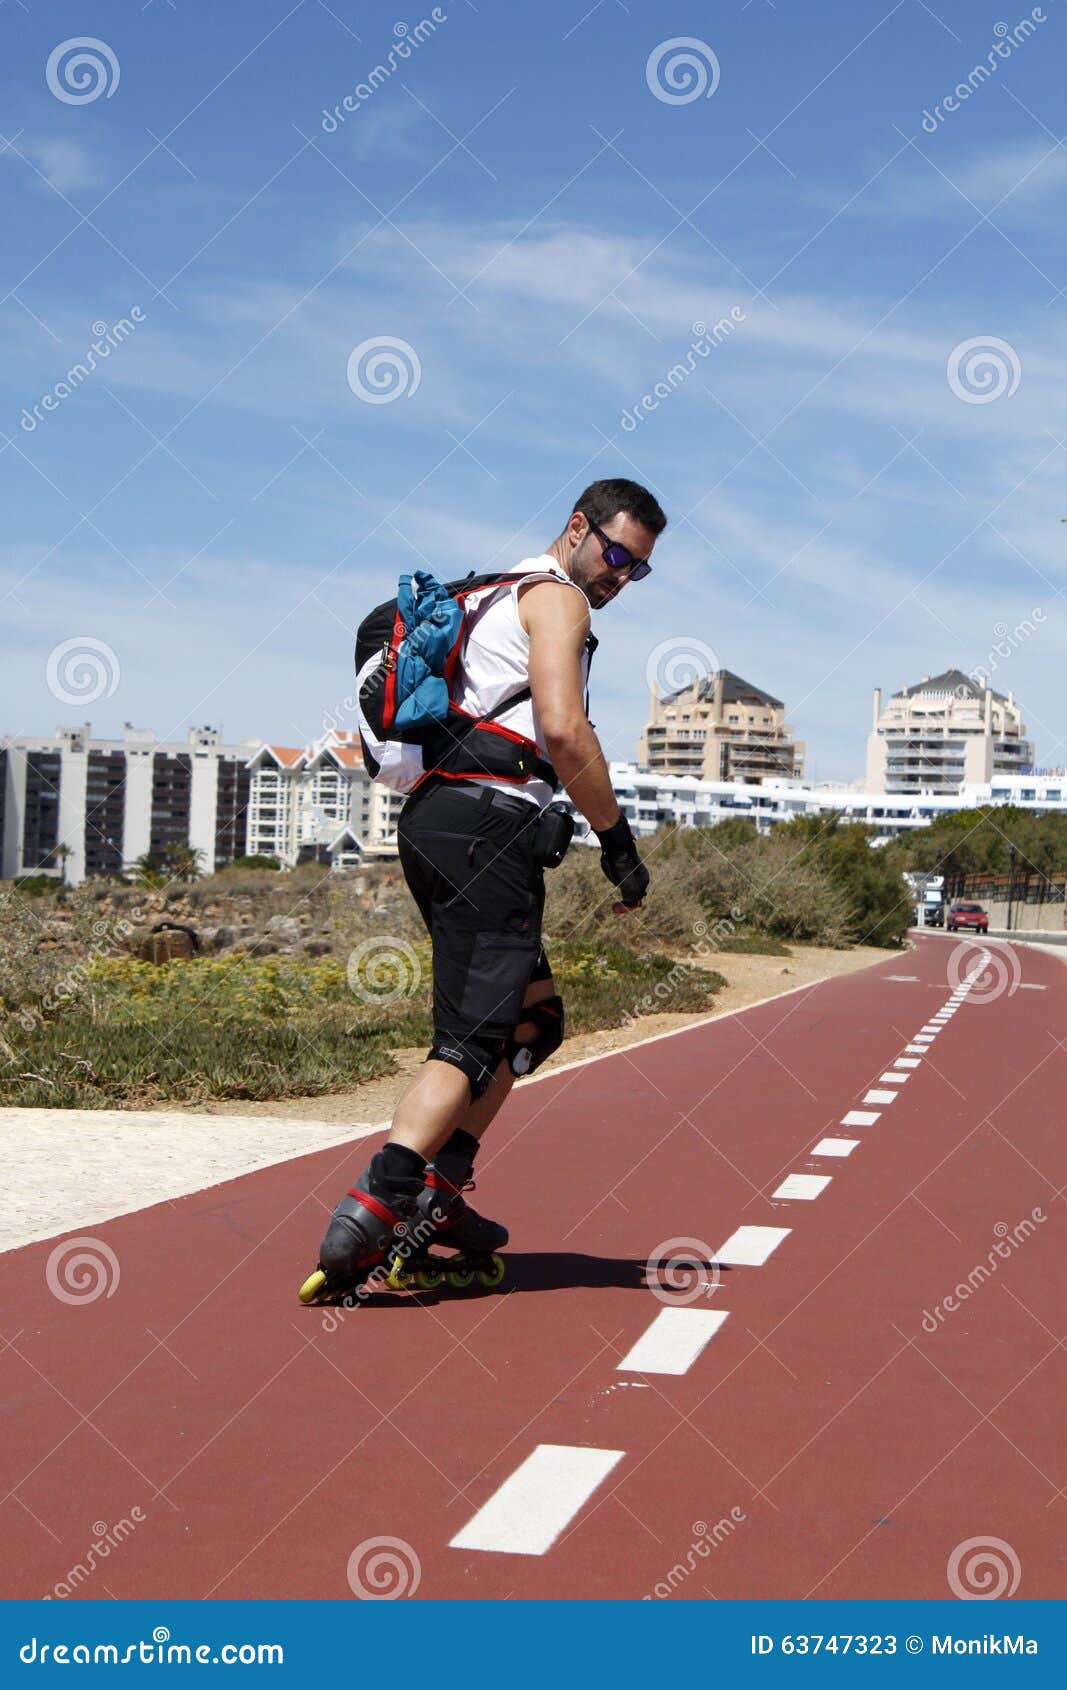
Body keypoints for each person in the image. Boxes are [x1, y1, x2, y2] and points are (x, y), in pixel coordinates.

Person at [312, 478, 667, 1292]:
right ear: (577, 528)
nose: (619, 579)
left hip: (438, 824)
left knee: (532, 1018)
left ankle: (437, 1194)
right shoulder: (557, 601)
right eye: (615, 556)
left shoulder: (485, 596)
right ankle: (373, 1211)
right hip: (486, 830)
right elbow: (561, 727)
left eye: (636, 571)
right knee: (471, 1042)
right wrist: (616, 843)